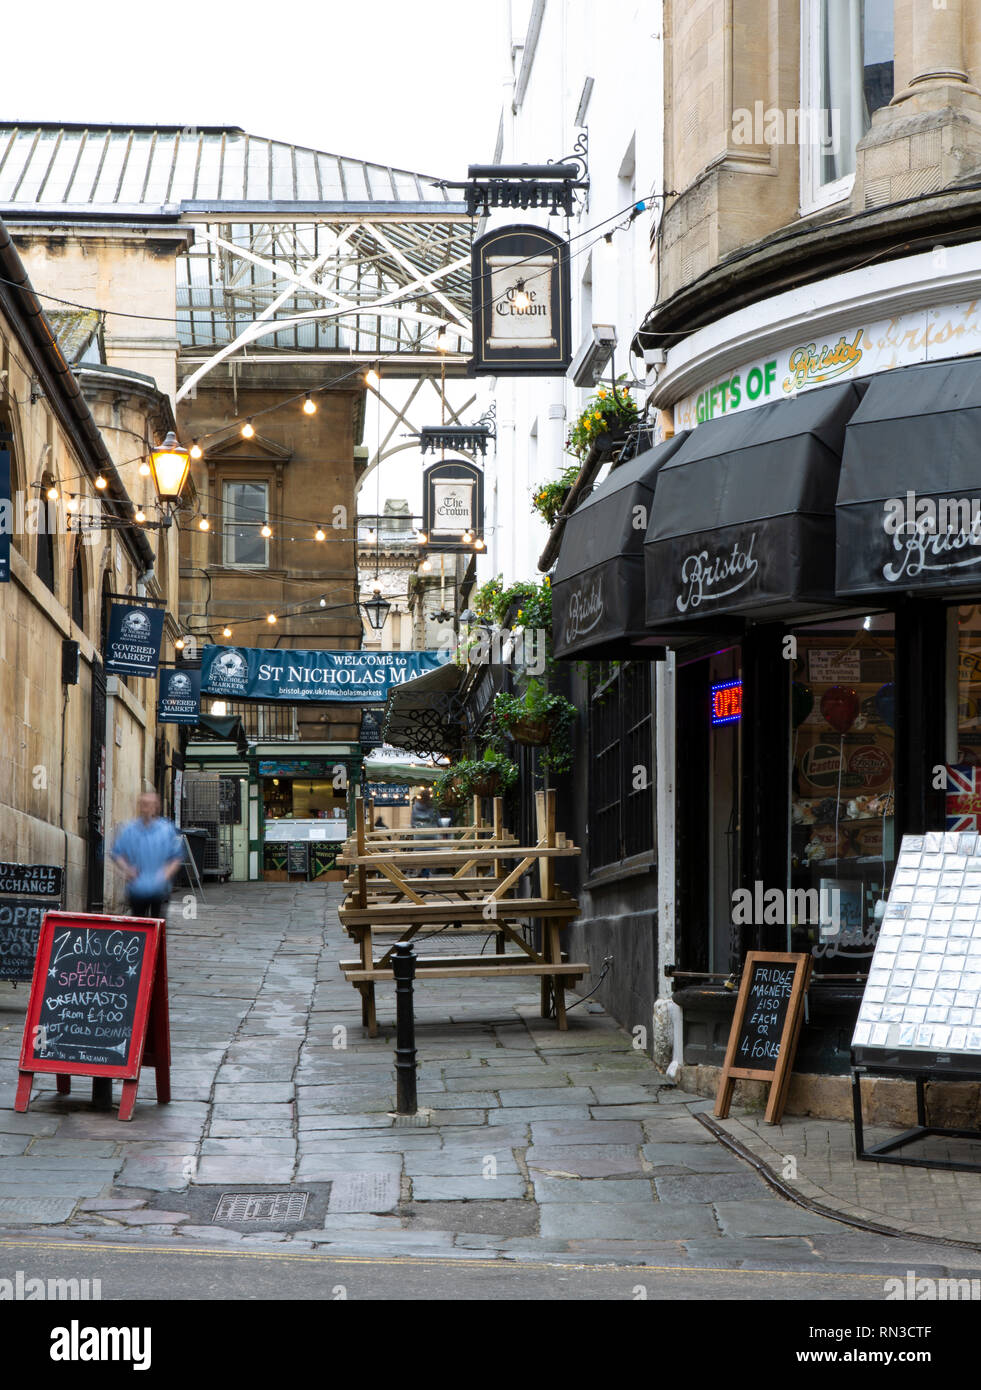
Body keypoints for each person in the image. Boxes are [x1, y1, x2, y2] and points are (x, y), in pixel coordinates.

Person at [111, 791, 184, 919]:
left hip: (159, 888)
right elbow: (117, 853)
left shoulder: (166, 830)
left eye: (149, 804)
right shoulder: (130, 830)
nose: (145, 808)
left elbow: (176, 857)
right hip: (137, 888)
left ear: (156, 807)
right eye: (143, 804)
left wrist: (166, 874)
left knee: (157, 925)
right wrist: (127, 869)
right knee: (138, 927)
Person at [410, 787, 441, 879]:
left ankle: (421, 872)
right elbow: (438, 820)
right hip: (432, 835)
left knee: (420, 855)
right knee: (431, 855)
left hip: (419, 836)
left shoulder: (416, 807)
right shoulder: (433, 807)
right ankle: (427, 873)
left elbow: (412, 823)